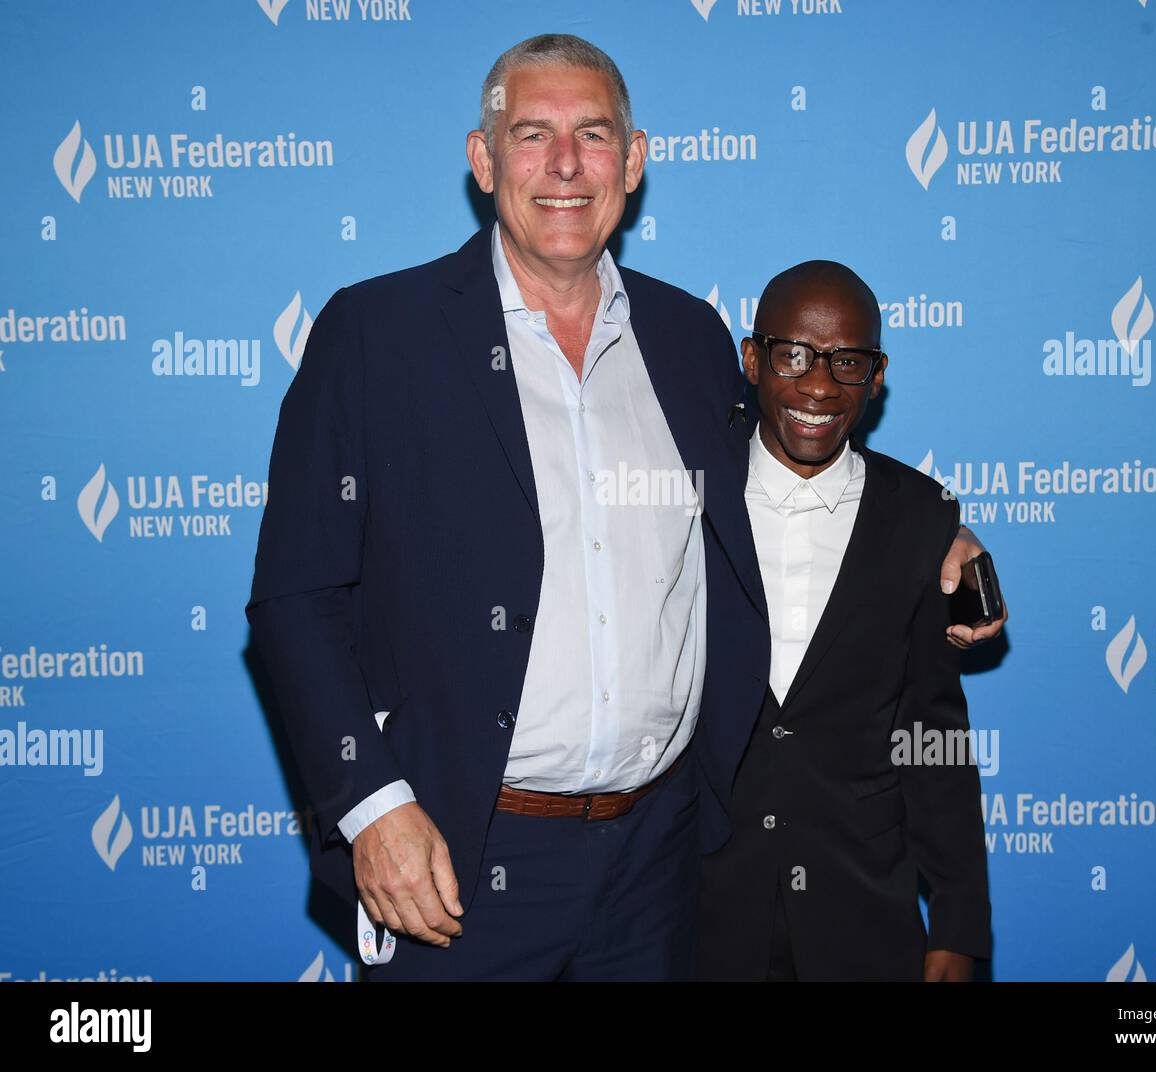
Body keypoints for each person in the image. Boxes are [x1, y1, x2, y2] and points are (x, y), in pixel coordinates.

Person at [244, 33, 1004, 982]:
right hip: (457, 857)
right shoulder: (375, 335)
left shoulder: (687, 339)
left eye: (594, 134)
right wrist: (369, 805)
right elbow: (295, 597)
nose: (565, 164)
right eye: (532, 134)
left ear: (633, 164)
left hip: (664, 867)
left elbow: (795, 456)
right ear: (484, 162)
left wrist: (934, 529)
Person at [694, 262, 992, 981]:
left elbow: (932, 733)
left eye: (848, 362)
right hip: (695, 911)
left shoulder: (921, 518)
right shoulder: (687, 493)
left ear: (876, 376)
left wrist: (958, 919)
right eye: (794, 354)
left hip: (861, 913)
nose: (820, 386)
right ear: (752, 359)